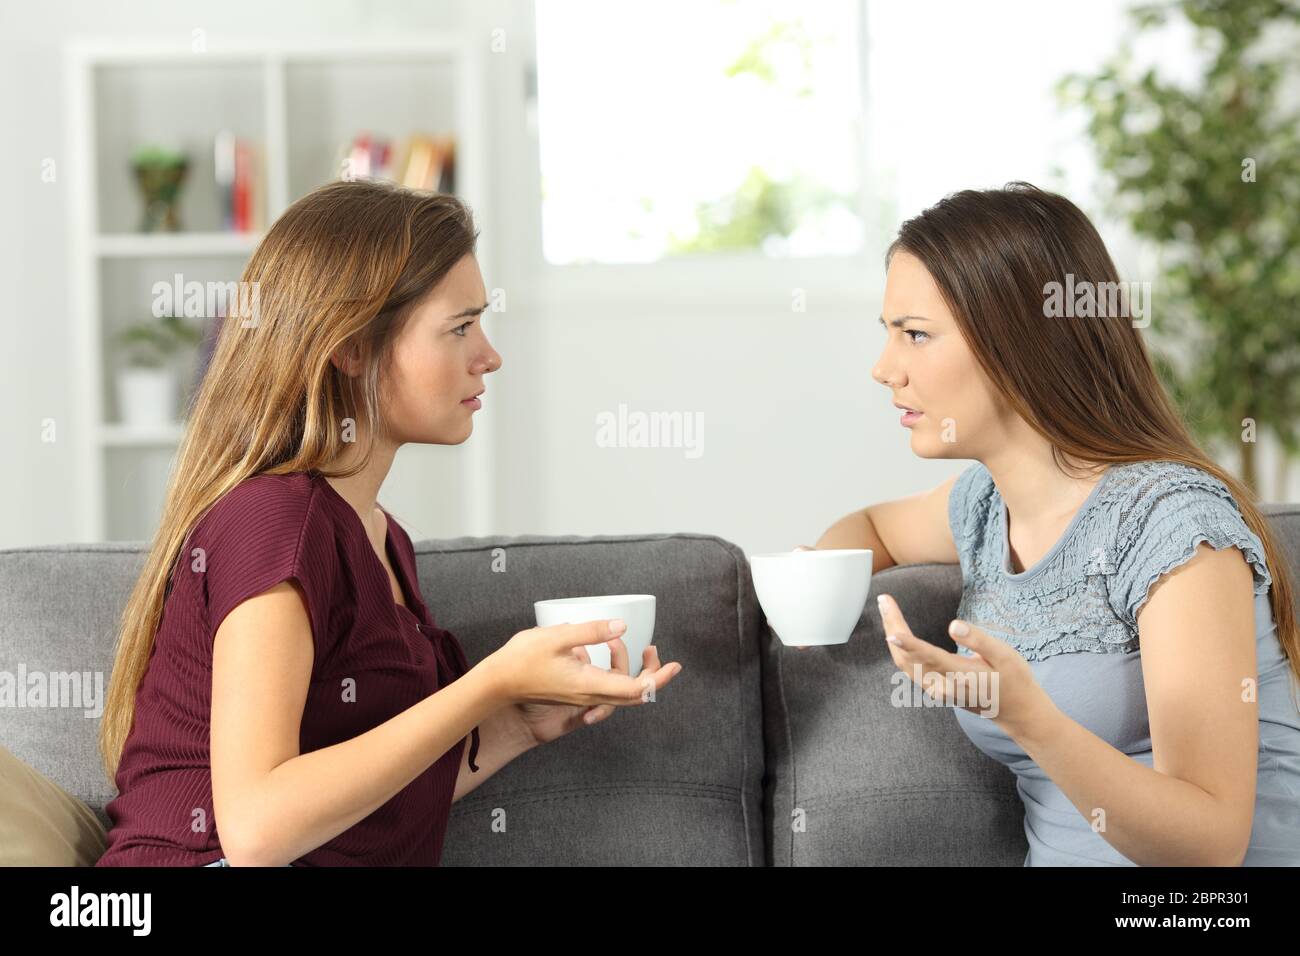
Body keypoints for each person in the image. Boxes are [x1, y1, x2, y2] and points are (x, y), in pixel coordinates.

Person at [95, 180, 682, 867]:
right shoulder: (274, 521)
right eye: (460, 327)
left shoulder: (379, 535)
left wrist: (518, 722)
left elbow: (371, 792)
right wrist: (487, 684)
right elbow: (256, 831)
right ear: (350, 348)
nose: (489, 355)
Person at [809, 182, 1300, 865]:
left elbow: (1211, 844)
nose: (884, 369)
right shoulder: (982, 506)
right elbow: (873, 528)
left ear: (1017, 342)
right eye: (888, 335)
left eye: (915, 335)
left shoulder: (1173, 526)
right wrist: (813, 591)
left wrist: (1031, 719)